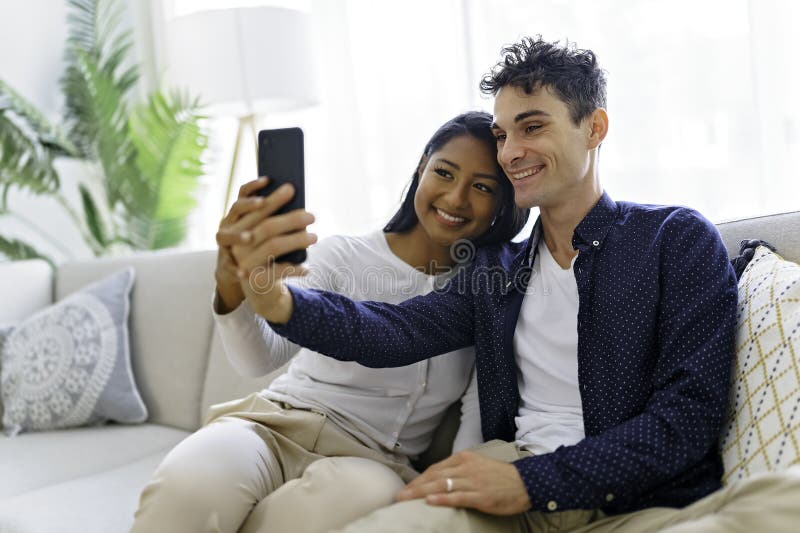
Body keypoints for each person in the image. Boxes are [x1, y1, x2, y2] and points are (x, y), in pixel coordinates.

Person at [220, 36, 800, 532]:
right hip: (503, 490)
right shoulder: (495, 269)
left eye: (532, 127)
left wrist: (530, 482)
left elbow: (684, 423)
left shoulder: (673, 238)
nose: (510, 152)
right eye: (501, 134)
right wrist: (278, 298)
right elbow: (391, 332)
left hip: (636, 503)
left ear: (594, 127)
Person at [130, 111, 529, 533]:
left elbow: (474, 407)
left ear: (503, 202)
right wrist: (232, 285)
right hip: (275, 423)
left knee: (349, 500)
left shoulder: (484, 290)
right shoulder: (345, 254)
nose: (455, 198)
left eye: (482, 186)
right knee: (191, 487)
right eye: (444, 173)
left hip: (372, 461)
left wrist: (456, 485)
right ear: (421, 167)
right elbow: (259, 359)